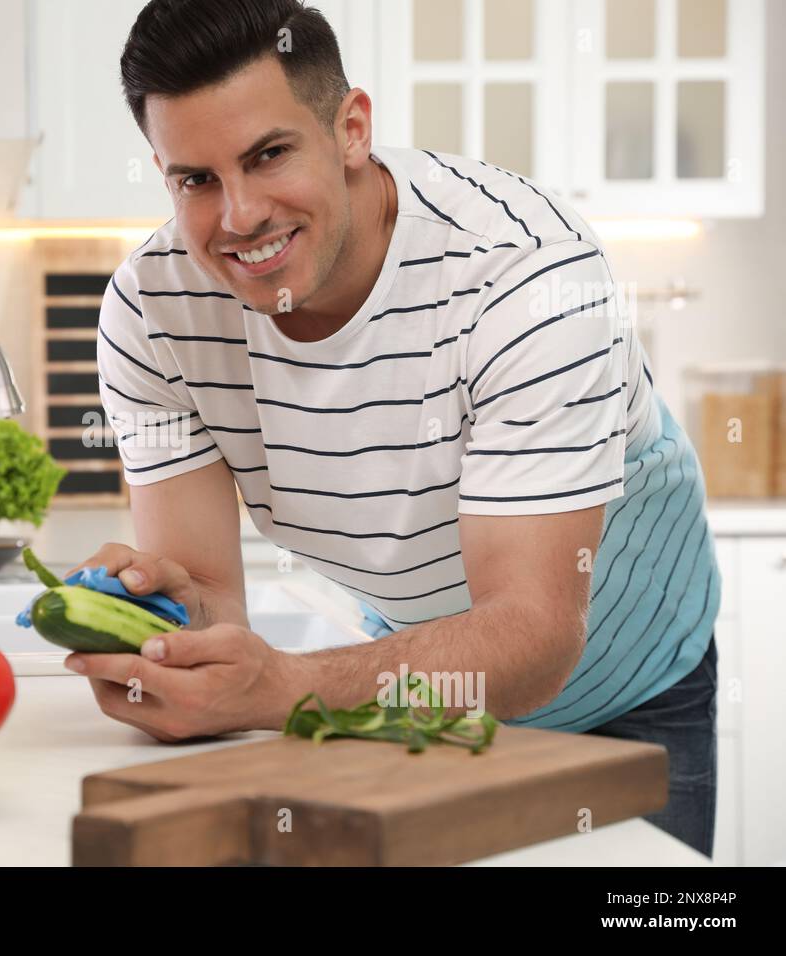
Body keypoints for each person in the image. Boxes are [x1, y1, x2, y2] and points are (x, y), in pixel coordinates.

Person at [65, 0, 720, 857]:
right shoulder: (151, 315)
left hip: (630, 687)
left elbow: (532, 635)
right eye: (195, 179)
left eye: (269, 155)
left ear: (351, 129)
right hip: (409, 688)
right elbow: (207, 608)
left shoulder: (528, 274)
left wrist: (281, 687)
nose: (240, 215)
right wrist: (160, 642)